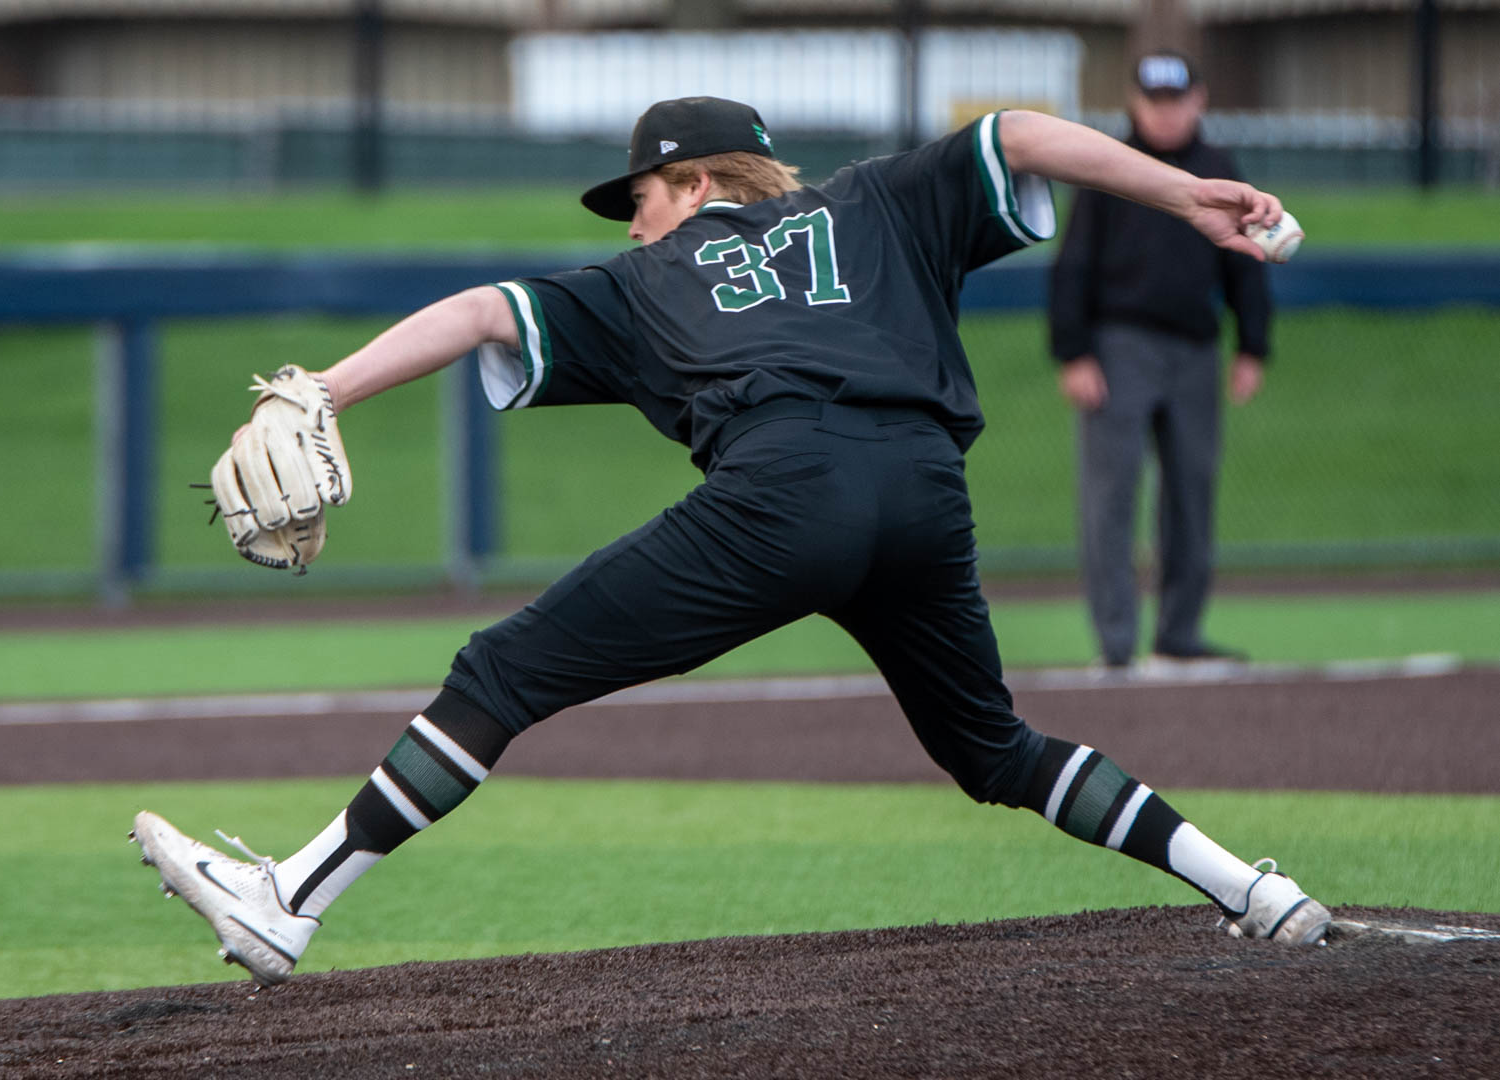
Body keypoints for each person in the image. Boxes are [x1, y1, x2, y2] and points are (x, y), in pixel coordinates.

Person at [132, 96, 1329, 988]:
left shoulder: (646, 280)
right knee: (994, 749)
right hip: (921, 491)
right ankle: (1252, 887)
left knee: (500, 674)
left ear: (697, 184)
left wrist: (324, 390)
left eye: (641, 196)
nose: (633, 219)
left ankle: (290, 898)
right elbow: (1015, 132)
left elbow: (480, 312)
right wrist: (1184, 192)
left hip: (784, 494)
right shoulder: (878, 201)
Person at [1048, 51, 1271, 671]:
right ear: (1134, 103)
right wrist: (1074, 351)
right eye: (1153, 101)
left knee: (1192, 492)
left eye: (1176, 101)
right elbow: (1073, 267)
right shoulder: (1112, 171)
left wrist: (1251, 345)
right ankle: (1116, 642)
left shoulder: (1220, 169)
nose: (1165, 113)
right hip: (1120, 346)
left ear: (1198, 101)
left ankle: (1178, 633)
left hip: (1196, 349)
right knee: (1110, 496)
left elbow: (1245, 265)